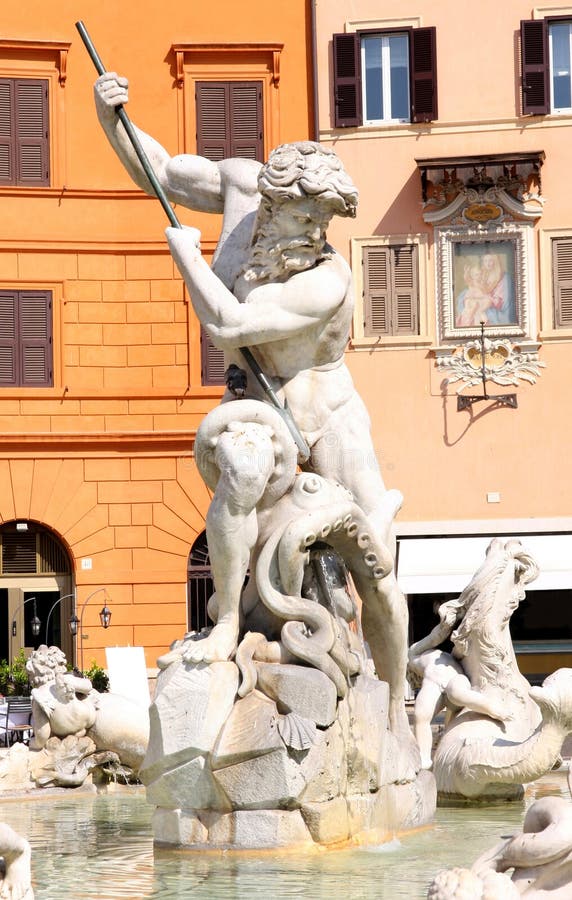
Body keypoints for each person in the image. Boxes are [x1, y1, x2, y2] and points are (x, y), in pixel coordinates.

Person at [94, 73, 411, 742]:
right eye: (305, 216)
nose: (316, 232)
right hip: (256, 405)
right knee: (237, 481)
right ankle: (229, 622)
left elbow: (230, 324)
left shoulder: (328, 278)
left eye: (324, 221)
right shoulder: (240, 187)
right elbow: (159, 171)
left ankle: (396, 707)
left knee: (377, 567)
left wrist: (187, 258)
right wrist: (109, 116)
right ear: (271, 201)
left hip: (327, 411)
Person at [408, 599, 510, 769]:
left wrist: (445, 625)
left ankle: (492, 708)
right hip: (434, 682)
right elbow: (450, 722)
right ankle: (425, 759)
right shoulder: (427, 671)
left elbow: (434, 637)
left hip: (451, 680)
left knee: (456, 693)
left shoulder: (412, 653)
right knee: (421, 714)